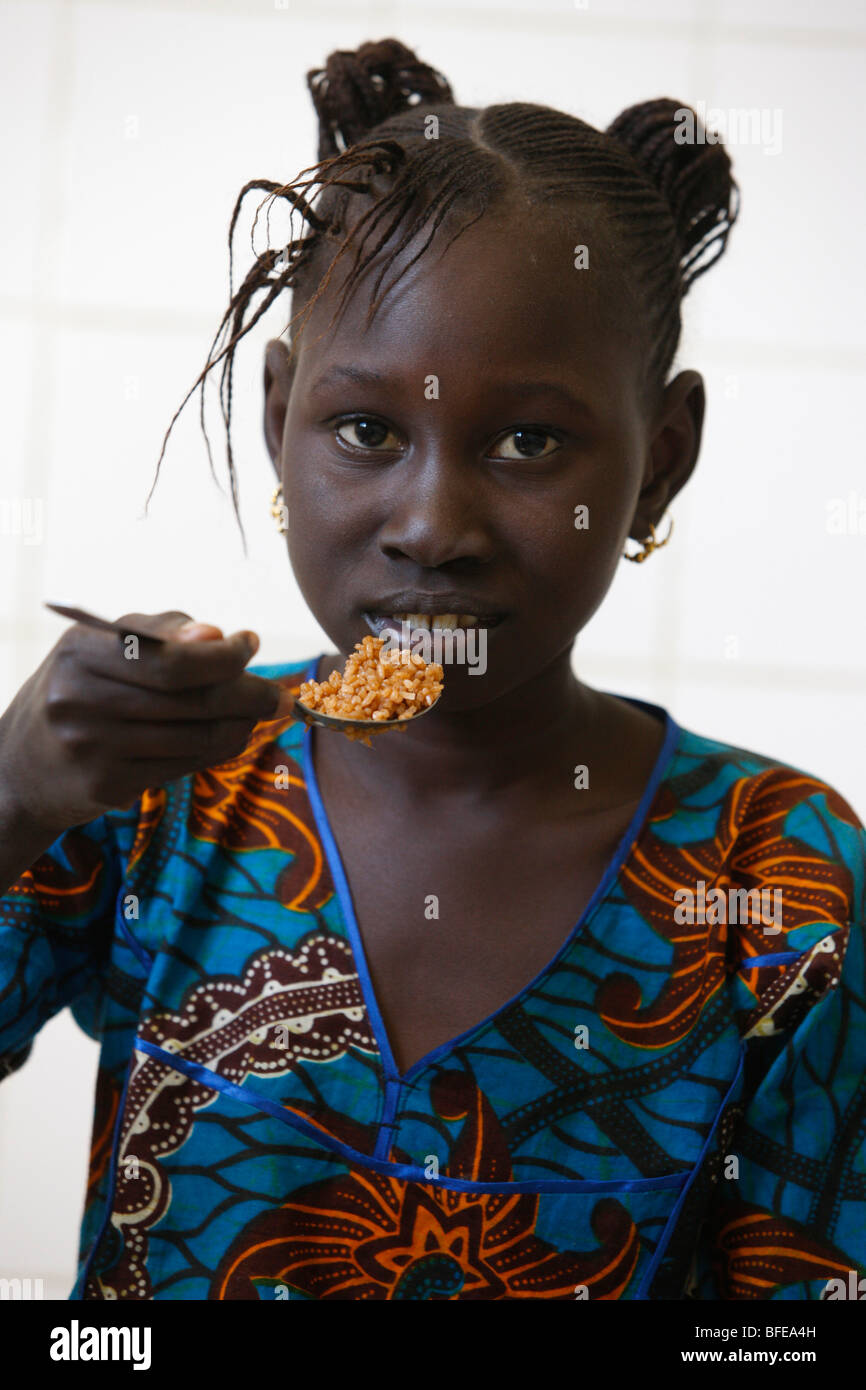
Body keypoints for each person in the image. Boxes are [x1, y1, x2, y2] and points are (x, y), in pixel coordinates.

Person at [1, 38, 863, 1302]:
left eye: (528, 442)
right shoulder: (152, 790)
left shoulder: (779, 883)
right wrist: (12, 798)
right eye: (365, 429)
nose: (429, 526)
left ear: (661, 461)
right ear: (279, 419)